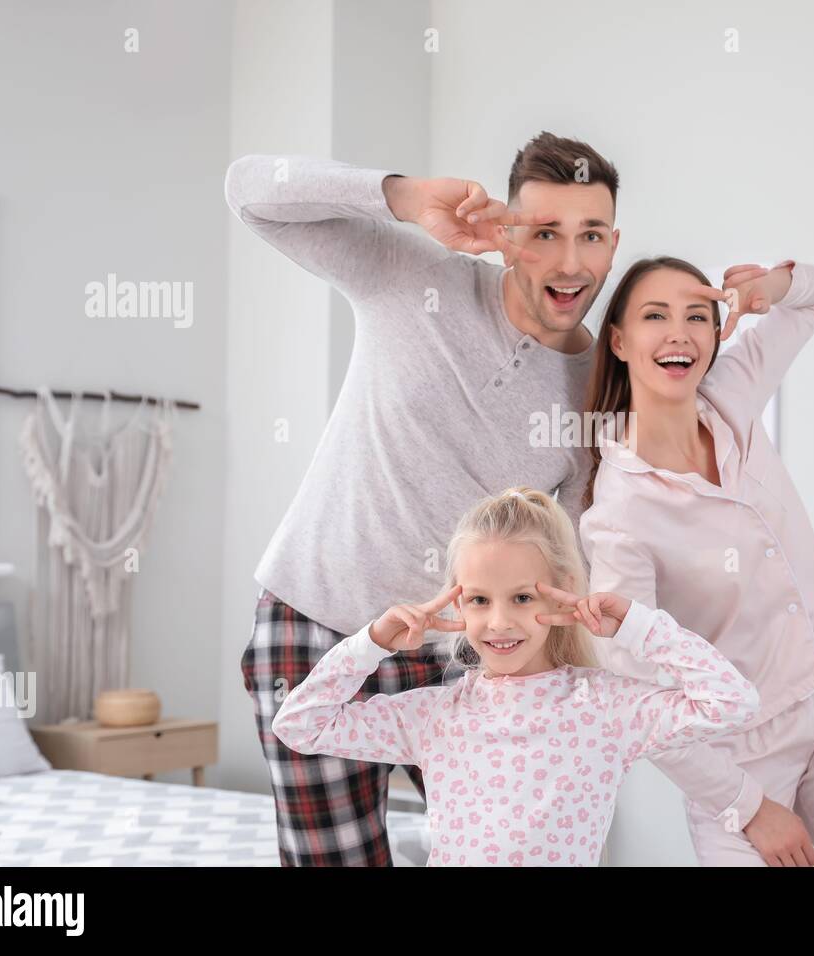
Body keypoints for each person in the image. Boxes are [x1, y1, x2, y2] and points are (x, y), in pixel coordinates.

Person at [227, 132, 622, 865]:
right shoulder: (415, 278)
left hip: (461, 653)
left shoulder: (599, 391)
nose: (571, 262)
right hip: (312, 627)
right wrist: (402, 196)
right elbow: (250, 190)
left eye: (589, 235)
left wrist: (578, 700)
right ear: (506, 236)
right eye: (544, 234)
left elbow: (565, 565)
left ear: (612, 243)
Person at [579, 256, 814, 865]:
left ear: (717, 334)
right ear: (619, 340)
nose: (679, 333)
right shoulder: (619, 513)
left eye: (697, 315)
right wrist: (748, 806)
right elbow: (636, 697)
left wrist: (772, 287)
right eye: (655, 316)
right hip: (737, 758)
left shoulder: (732, 395)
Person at [270, 487, 760, 866]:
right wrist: (372, 642)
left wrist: (638, 626)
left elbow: (732, 702)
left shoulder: (605, 708)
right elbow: (299, 724)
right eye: (480, 599)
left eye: (522, 597)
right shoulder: (434, 716)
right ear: (458, 602)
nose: (500, 622)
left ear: (562, 593)